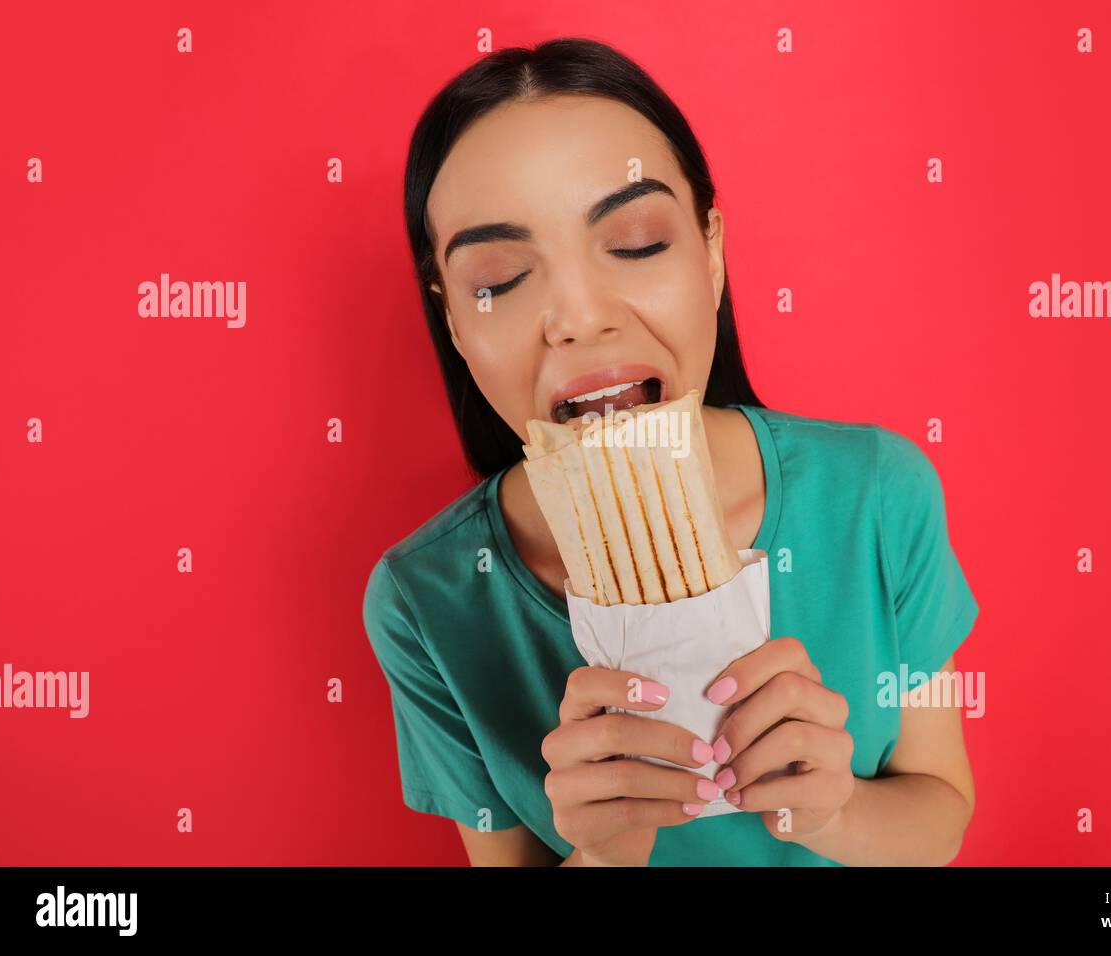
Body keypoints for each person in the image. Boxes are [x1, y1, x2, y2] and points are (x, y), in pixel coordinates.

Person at [363, 37, 980, 866]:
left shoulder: (877, 494)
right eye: (502, 278)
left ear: (712, 253)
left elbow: (940, 818)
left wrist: (833, 811)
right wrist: (607, 854)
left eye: (639, 241)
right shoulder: (426, 598)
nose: (578, 315)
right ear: (453, 323)